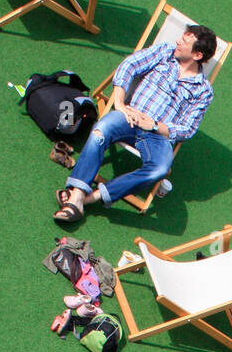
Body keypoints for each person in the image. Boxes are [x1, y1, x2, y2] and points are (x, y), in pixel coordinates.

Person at [53, 24, 217, 222]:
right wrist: (120, 103)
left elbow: (188, 128)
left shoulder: (203, 90)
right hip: (130, 115)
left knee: (160, 169)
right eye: (181, 37)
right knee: (101, 130)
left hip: (158, 136)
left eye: (185, 41)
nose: (178, 42)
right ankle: (78, 196)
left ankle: (89, 198)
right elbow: (129, 65)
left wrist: (155, 125)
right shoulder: (164, 52)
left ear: (198, 55)